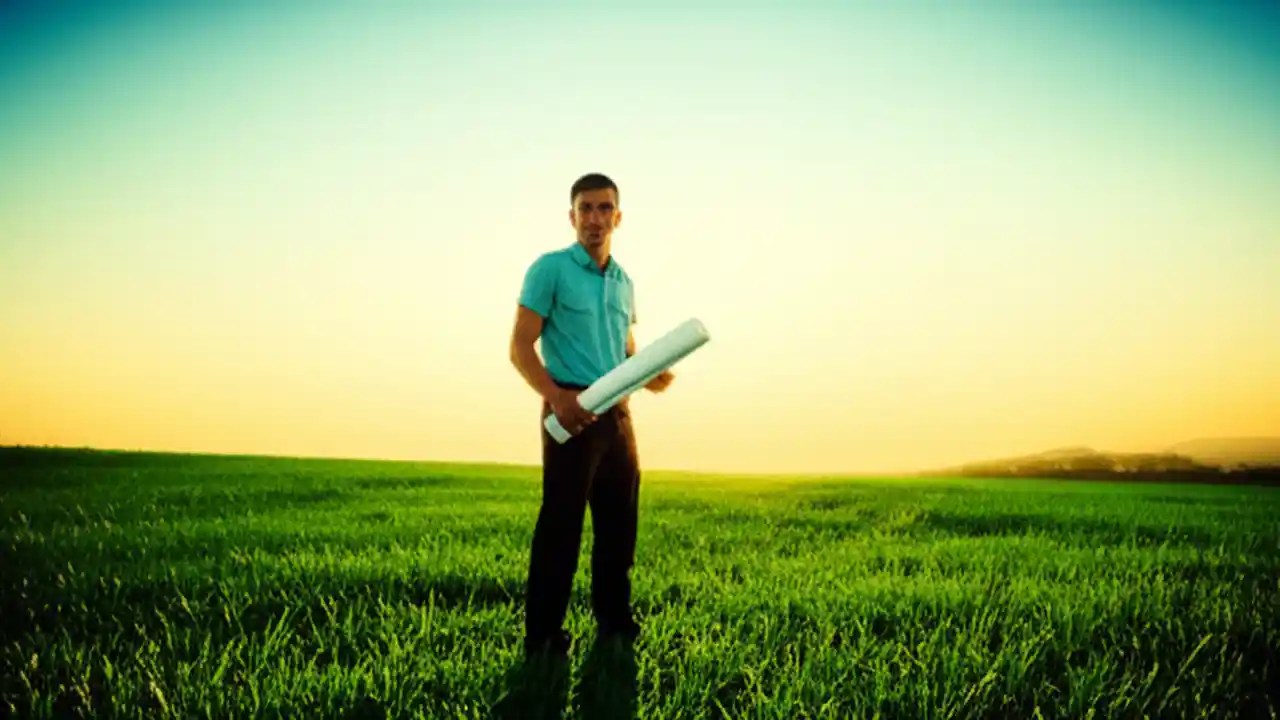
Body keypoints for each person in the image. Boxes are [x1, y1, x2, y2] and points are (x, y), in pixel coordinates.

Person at [508, 172, 674, 658]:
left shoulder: (625, 283)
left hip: (618, 419)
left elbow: (624, 351)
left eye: (604, 209)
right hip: (571, 413)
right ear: (572, 216)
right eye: (586, 209)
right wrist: (555, 396)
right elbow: (520, 346)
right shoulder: (550, 270)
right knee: (560, 527)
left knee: (619, 528)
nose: (595, 219)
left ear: (618, 217)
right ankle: (543, 636)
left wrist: (649, 375)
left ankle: (615, 625)